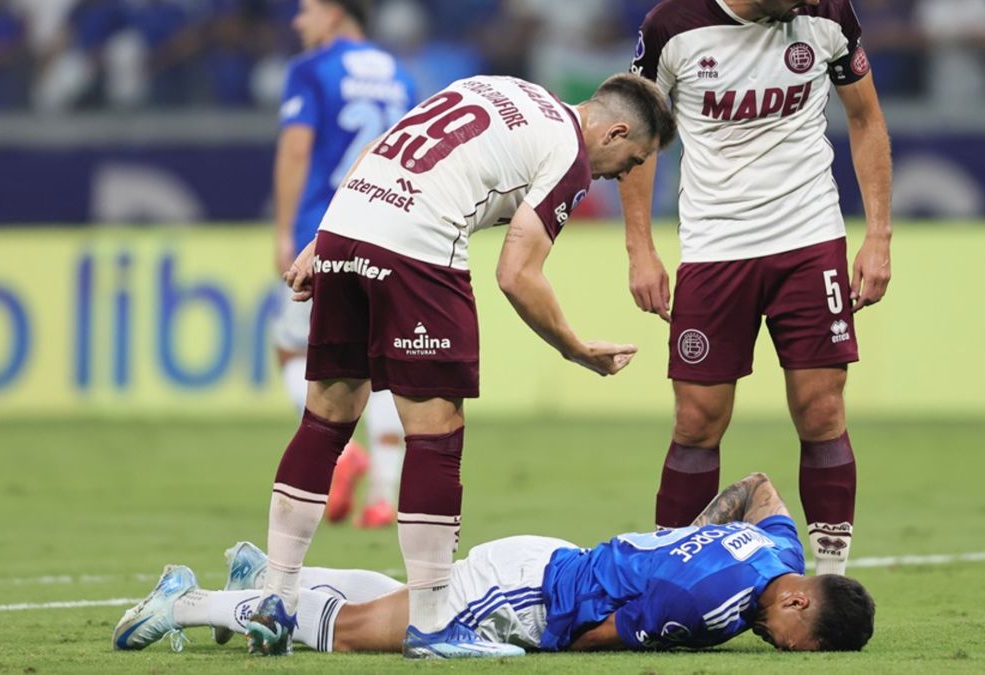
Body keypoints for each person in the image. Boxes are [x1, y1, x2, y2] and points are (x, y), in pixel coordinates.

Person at [248, 72, 676, 658]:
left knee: (325, 419)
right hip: (416, 244)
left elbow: (380, 148)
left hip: (349, 222)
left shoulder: (501, 86)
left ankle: (276, 599)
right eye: (633, 160)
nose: (624, 173)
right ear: (617, 131)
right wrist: (574, 347)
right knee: (436, 436)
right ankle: (431, 624)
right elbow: (516, 273)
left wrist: (325, 238)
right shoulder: (571, 152)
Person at [620, 0, 893, 576]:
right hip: (714, 248)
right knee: (697, 420)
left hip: (810, 237)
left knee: (821, 411)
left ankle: (830, 579)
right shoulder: (670, 26)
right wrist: (640, 248)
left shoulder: (827, 13)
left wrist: (879, 236)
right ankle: (668, 575)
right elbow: (636, 138)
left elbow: (866, 119)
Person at [113, 472, 876, 655]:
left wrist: (684, 534)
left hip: (548, 555)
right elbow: (604, 632)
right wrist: (531, 643)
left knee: (403, 601)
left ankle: (268, 575)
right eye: (795, 644)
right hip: (536, 593)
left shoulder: (781, 548)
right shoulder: (709, 608)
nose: (778, 647)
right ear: (802, 607)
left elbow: (757, 486)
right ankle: (190, 600)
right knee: (363, 634)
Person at [268, 0, 415, 532]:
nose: (297, 21)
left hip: (322, 229)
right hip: (385, 226)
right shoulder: (400, 76)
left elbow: (295, 150)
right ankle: (383, 496)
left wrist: (285, 231)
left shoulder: (311, 69)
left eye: (305, 9)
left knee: (288, 348)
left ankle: (345, 453)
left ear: (333, 11)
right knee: (378, 366)